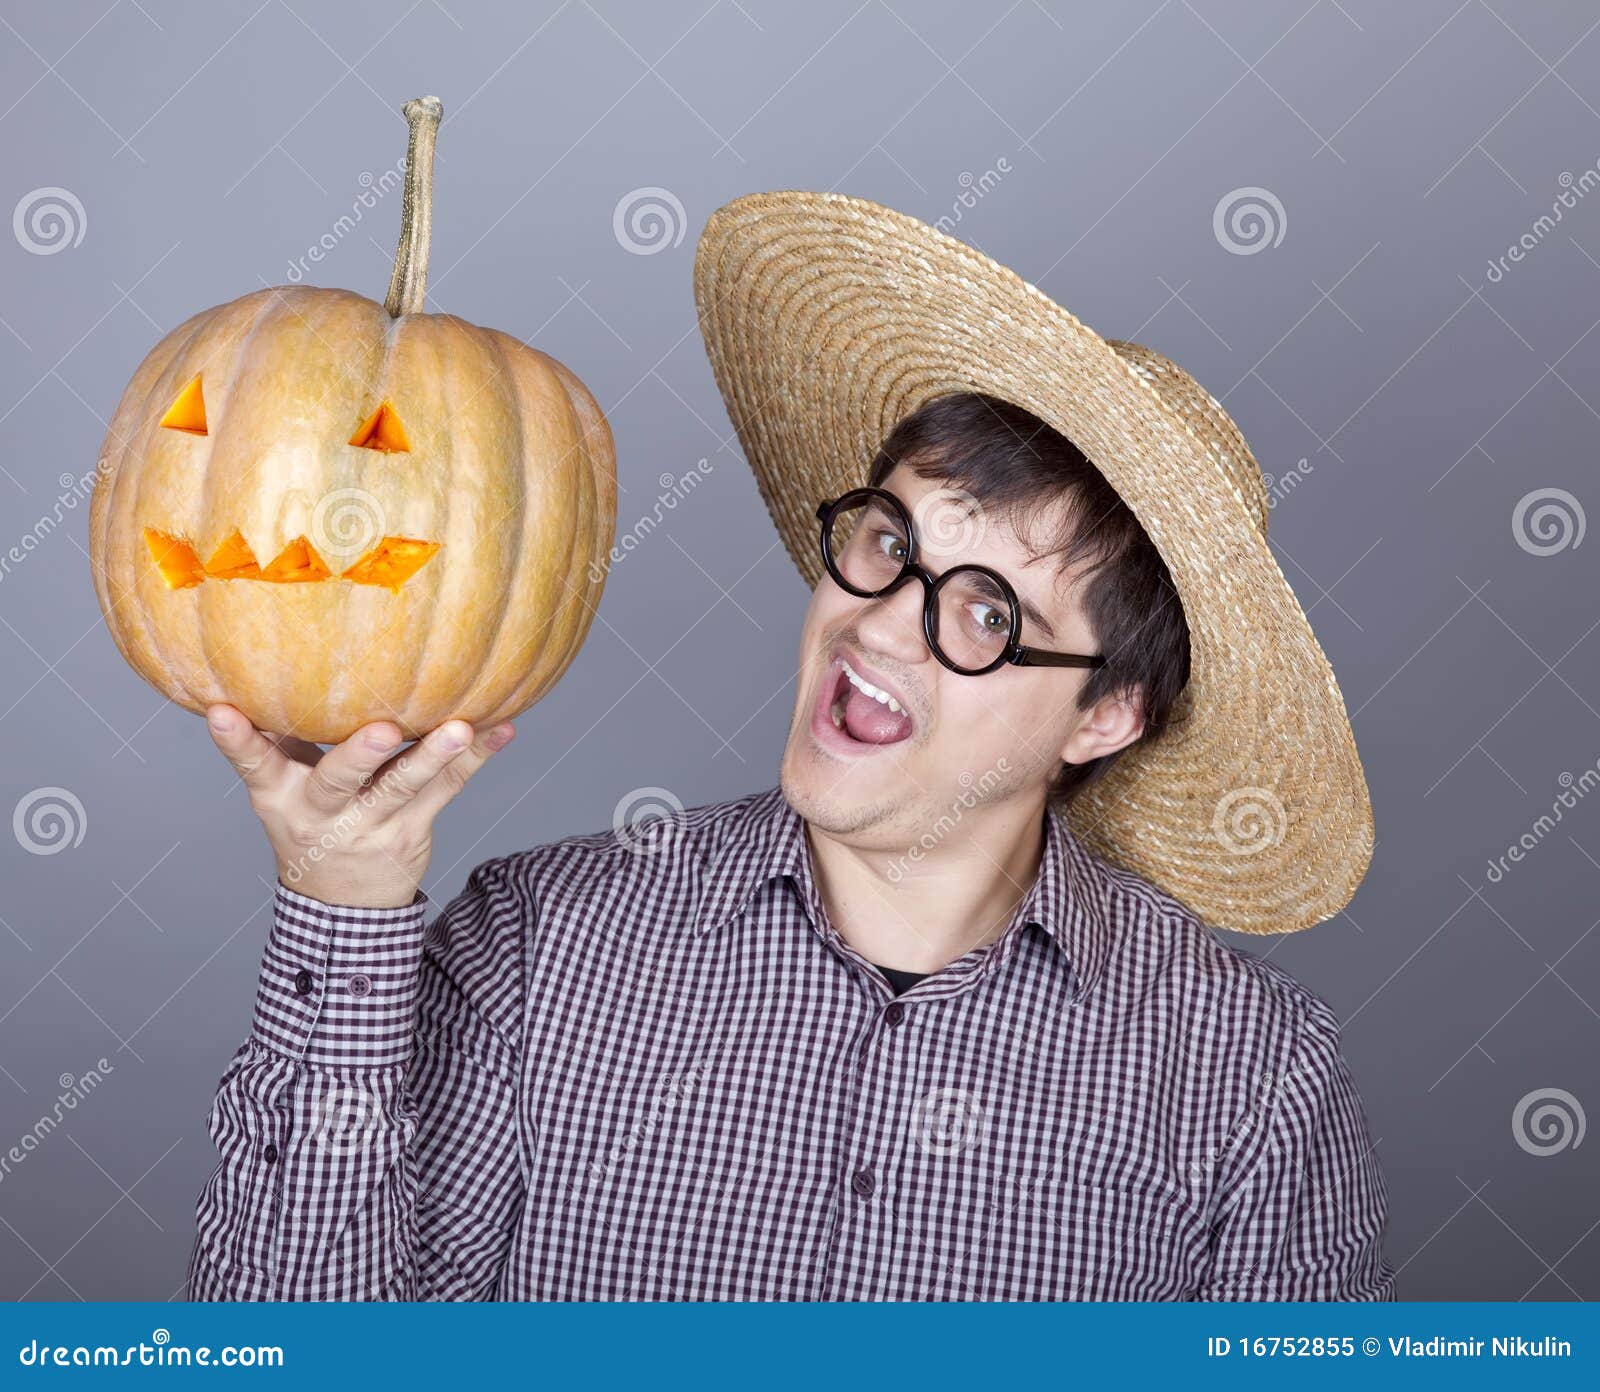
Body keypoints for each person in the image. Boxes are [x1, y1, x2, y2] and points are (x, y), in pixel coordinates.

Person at [187, 192, 1392, 1301]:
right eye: (888, 544)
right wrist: (342, 901)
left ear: (1104, 715)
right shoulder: (536, 946)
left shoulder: (1249, 1077)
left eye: (986, 614)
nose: (879, 624)